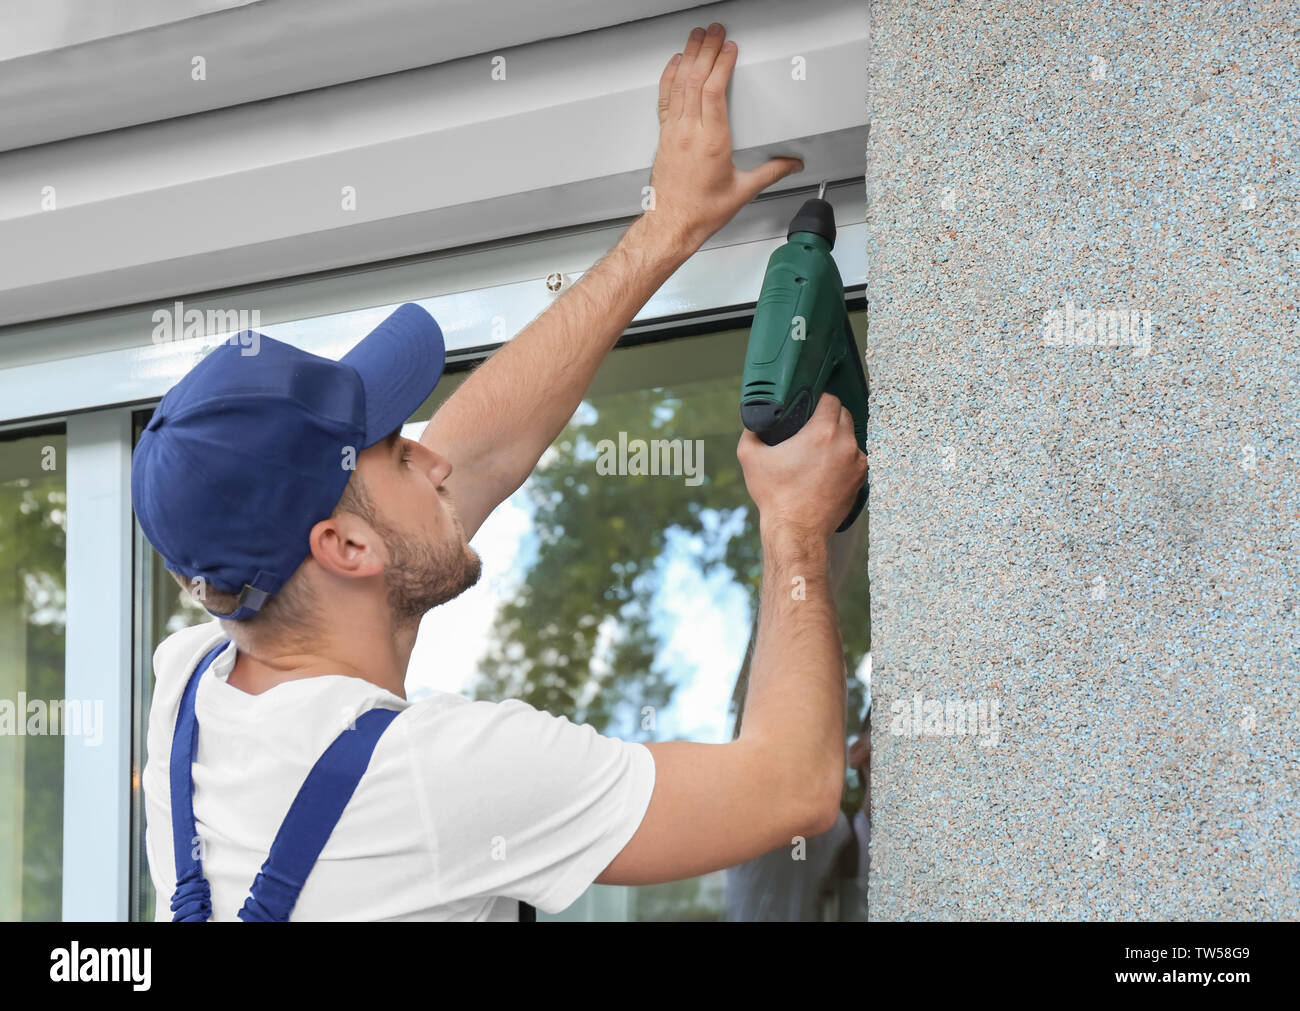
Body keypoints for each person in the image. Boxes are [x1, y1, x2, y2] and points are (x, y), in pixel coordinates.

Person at [136, 22, 867, 921]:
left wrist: (666, 229)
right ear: (346, 545)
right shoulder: (441, 778)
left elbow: (465, 462)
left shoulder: (194, 690)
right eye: (402, 452)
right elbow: (789, 789)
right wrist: (795, 528)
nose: (437, 454)